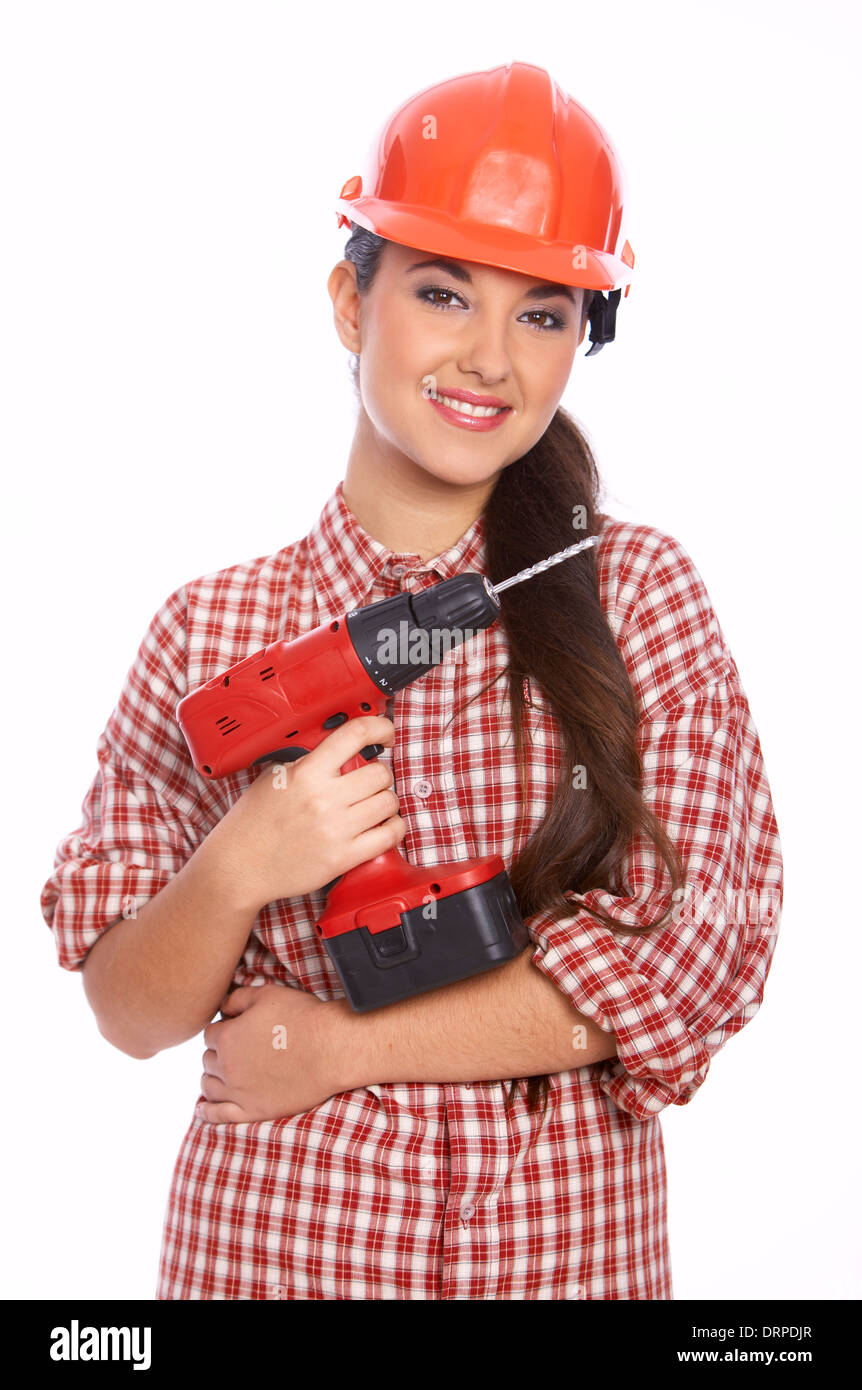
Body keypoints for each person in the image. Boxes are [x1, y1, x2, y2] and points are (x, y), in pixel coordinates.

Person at [40, 61, 783, 1300]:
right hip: (275, 1259)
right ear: (350, 299)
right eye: (443, 293)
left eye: (542, 314)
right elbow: (130, 1013)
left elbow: (691, 959)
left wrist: (339, 1047)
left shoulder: (637, 595)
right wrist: (242, 861)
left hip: (566, 1264)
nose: (488, 359)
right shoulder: (210, 629)